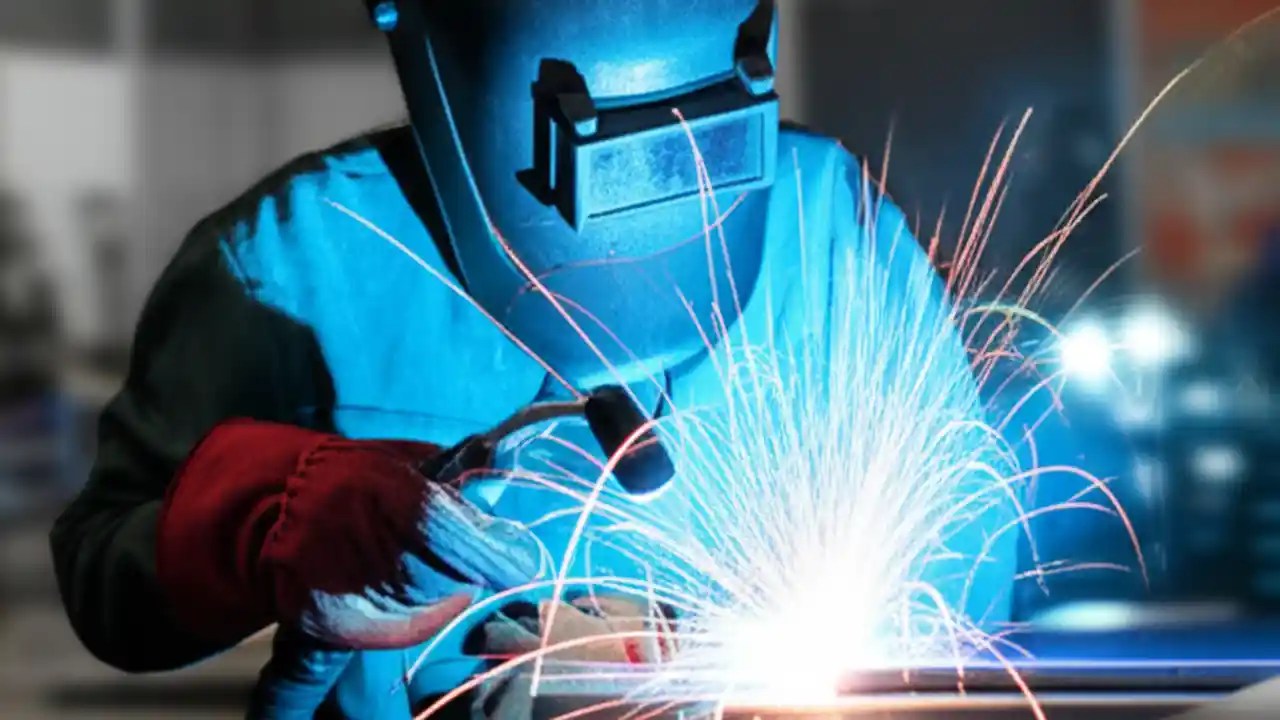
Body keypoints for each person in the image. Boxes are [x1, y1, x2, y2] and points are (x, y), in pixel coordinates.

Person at [49, 1, 1018, 717]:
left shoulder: (829, 230)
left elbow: (965, 564)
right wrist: (265, 521)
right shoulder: (292, 267)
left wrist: (690, 661)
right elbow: (107, 582)